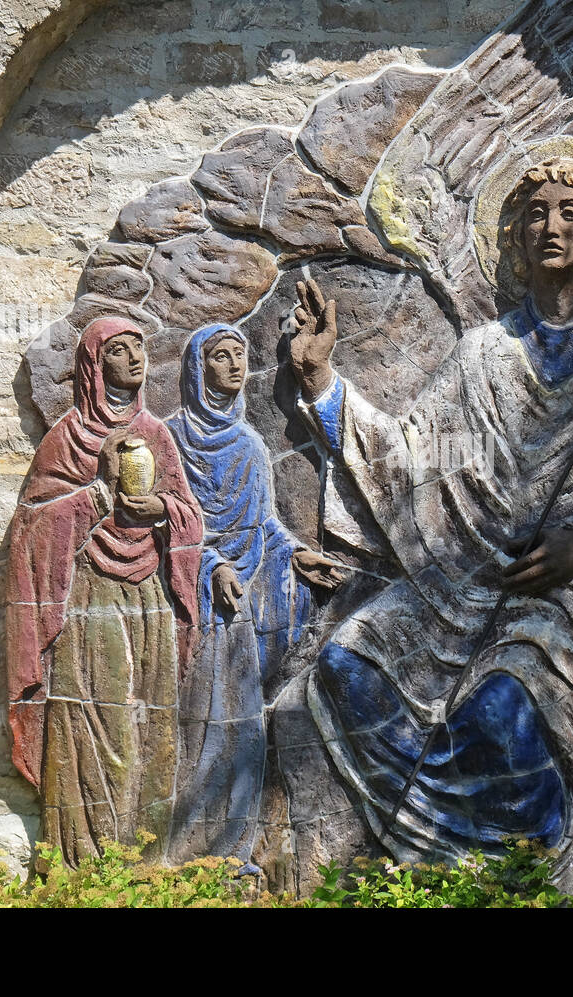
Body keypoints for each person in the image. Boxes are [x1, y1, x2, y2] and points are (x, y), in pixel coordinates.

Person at [288, 157, 573, 900]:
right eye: (536, 214)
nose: (552, 226)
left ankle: (551, 873)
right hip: (469, 582)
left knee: (502, 705)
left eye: (568, 214)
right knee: (348, 665)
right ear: (514, 234)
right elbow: (409, 458)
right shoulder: (484, 356)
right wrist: (324, 383)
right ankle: (448, 864)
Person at [4, 316, 202, 866]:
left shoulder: (156, 435)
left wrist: (160, 508)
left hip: (151, 598)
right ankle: (85, 864)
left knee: (152, 723)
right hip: (91, 597)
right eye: (119, 351)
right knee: (101, 726)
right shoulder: (66, 438)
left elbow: (189, 514)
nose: (135, 360)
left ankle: (143, 865)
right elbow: (34, 528)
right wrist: (97, 495)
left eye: (139, 349)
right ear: (95, 365)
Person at [166, 322, 345, 866]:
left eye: (240, 356)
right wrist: (212, 564)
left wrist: (295, 554)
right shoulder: (171, 439)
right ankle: (181, 851)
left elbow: (264, 525)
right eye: (220, 357)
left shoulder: (250, 446)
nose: (234, 366)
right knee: (194, 731)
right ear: (200, 368)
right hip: (194, 598)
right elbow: (171, 524)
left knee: (242, 730)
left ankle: (230, 852)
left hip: (243, 603)